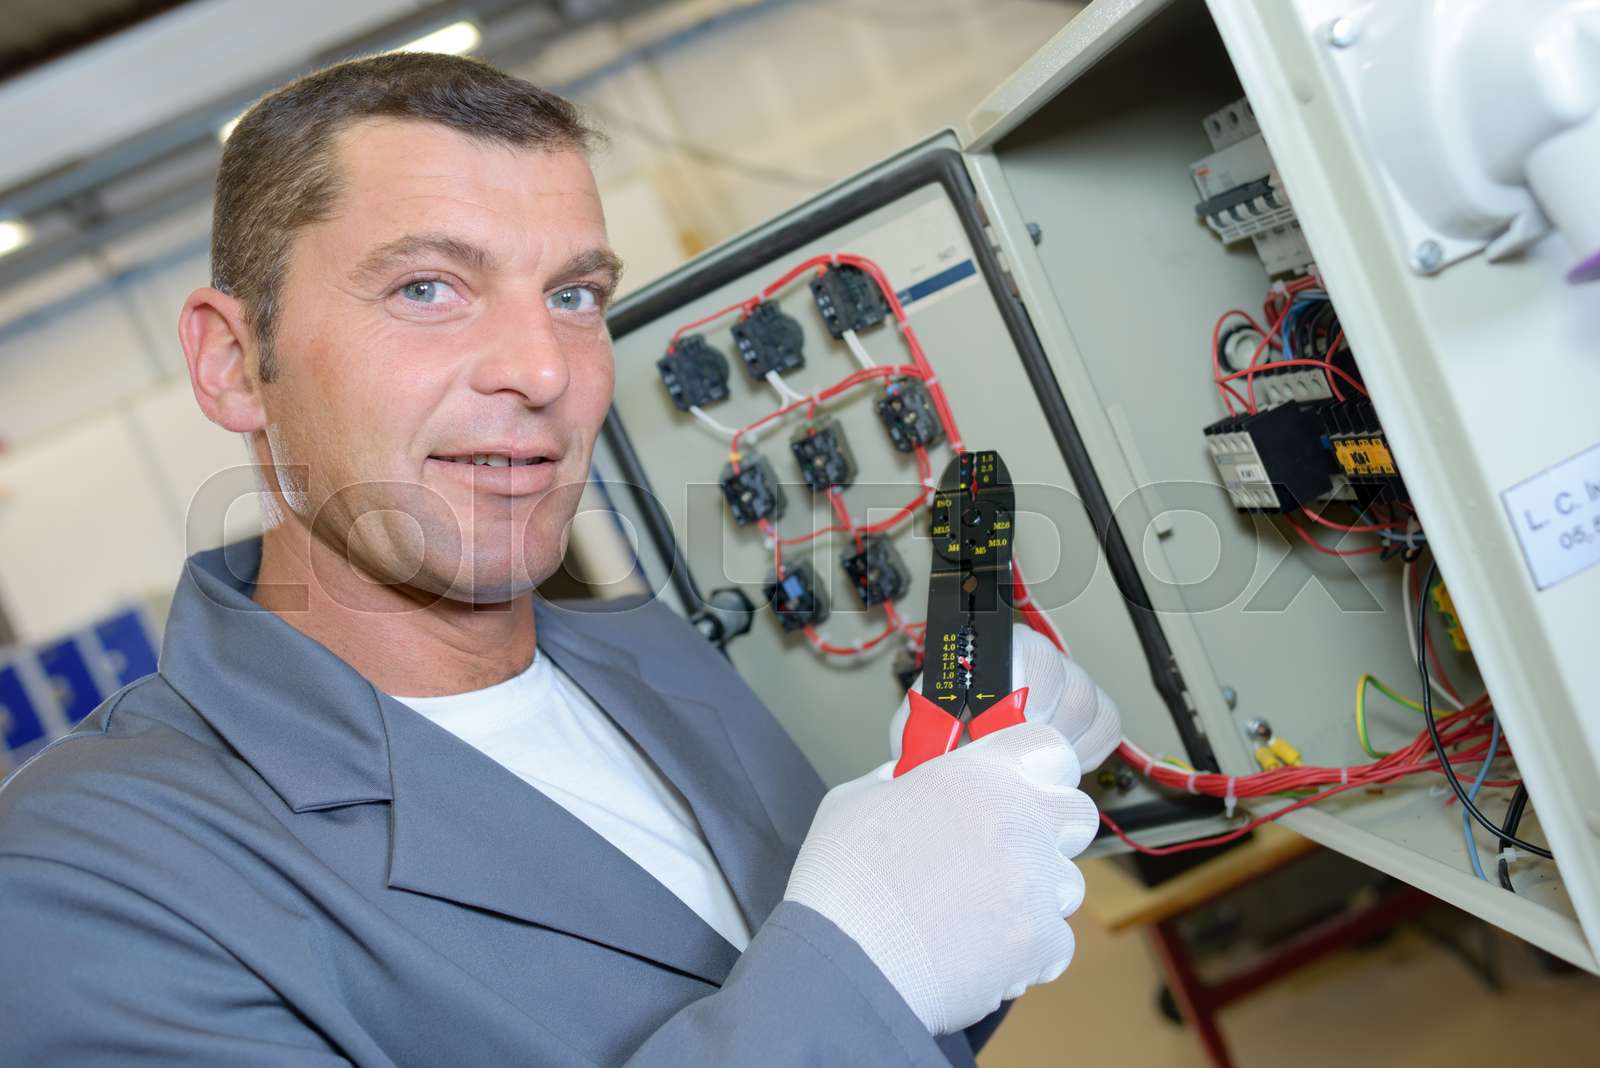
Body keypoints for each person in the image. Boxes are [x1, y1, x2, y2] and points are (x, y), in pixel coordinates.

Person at [0, 52, 1121, 1065]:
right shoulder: (80, 878)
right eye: (426, 288)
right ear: (236, 363)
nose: (542, 369)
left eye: (574, 295)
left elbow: (896, 1021)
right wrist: (862, 965)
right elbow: (847, 989)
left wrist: (954, 841)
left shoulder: (653, 656)